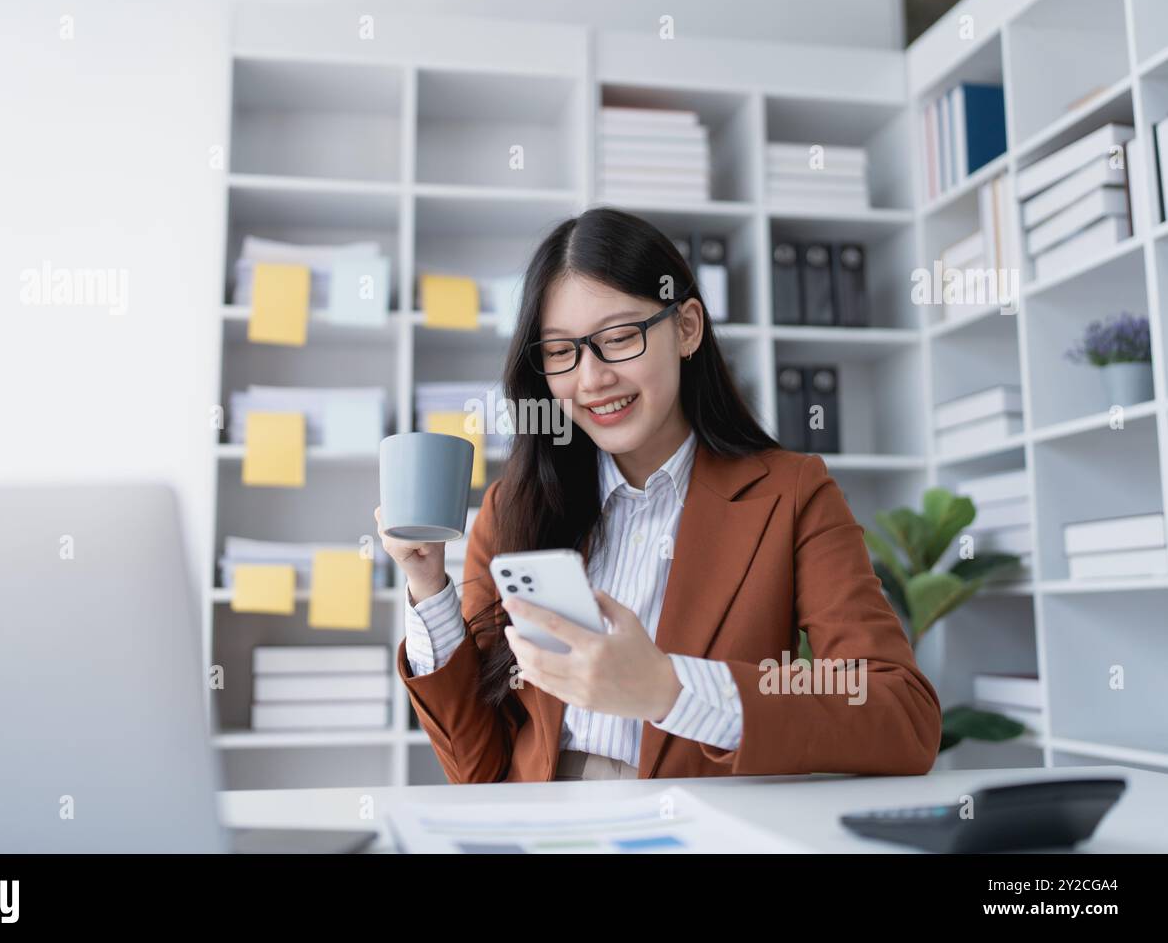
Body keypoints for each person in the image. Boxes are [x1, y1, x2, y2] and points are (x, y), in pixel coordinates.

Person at [374, 206, 941, 784]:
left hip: (699, 824)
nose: (592, 380)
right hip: (544, 826)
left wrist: (669, 690)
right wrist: (427, 586)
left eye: (619, 338)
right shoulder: (515, 506)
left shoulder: (790, 494)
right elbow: (478, 767)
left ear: (687, 328)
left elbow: (903, 716)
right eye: (560, 351)